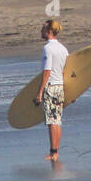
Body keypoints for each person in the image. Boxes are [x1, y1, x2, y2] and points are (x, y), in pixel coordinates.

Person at [35, 19, 69, 161]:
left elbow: (47, 71)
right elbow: (66, 71)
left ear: (49, 31)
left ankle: (53, 153)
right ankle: (55, 151)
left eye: (42, 29)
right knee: (57, 120)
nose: (40, 31)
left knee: (51, 121)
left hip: (50, 87)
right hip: (60, 86)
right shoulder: (63, 48)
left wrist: (40, 92)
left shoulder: (48, 49)